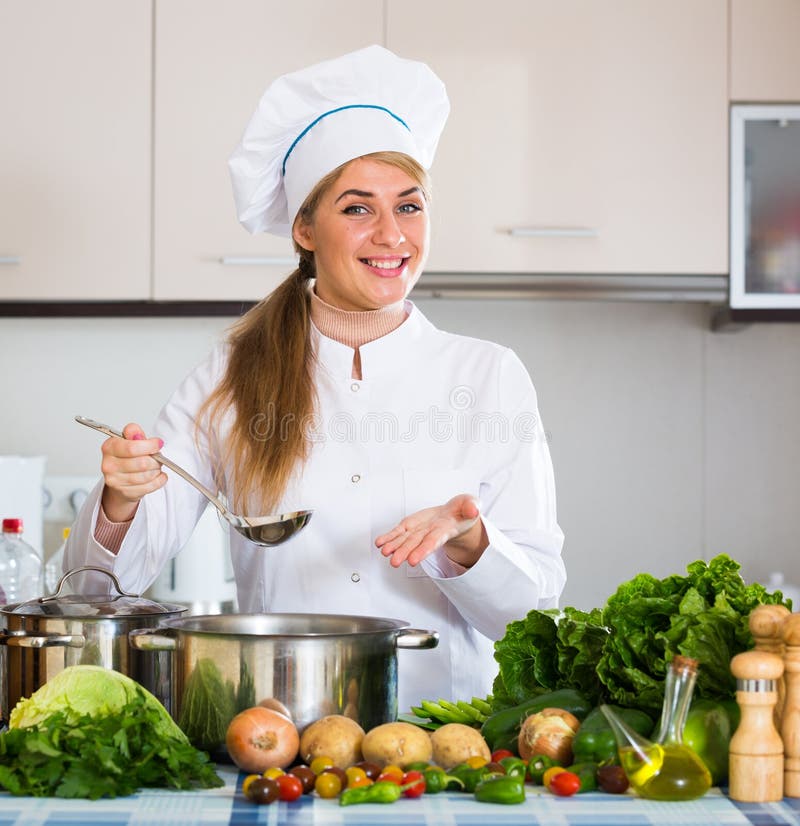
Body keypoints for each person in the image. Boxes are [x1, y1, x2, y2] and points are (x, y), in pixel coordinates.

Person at [65, 45, 565, 710]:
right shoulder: (230, 374)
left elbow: (535, 619)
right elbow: (95, 596)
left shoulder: (490, 375)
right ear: (304, 227)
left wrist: (472, 543)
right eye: (358, 209)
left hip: (443, 748)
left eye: (410, 206)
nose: (393, 235)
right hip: (275, 738)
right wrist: (121, 500)